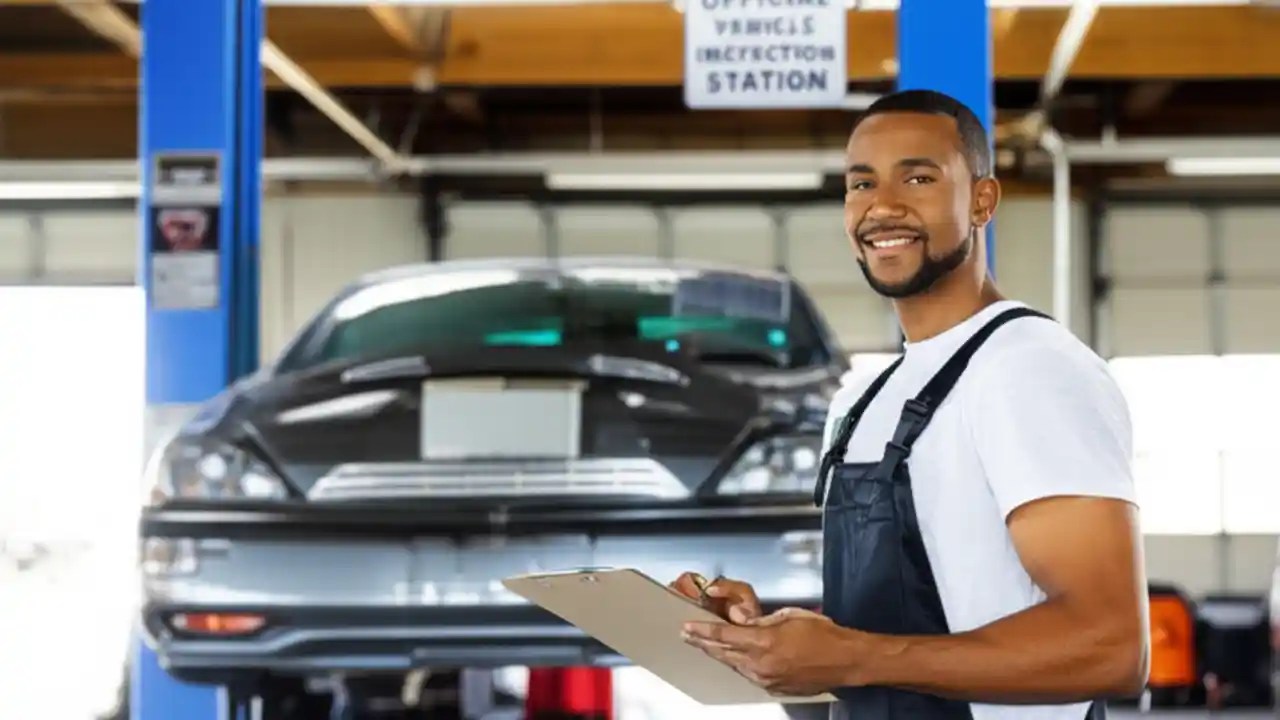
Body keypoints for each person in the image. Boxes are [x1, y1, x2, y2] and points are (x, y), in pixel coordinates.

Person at [671, 89, 1150, 720]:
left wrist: (851, 657)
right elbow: (895, 634)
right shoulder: (862, 400)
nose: (883, 207)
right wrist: (771, 642)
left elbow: (1112, 648)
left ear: (982, 200)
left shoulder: (1027, 369)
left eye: (918, 177)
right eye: (860, 184)